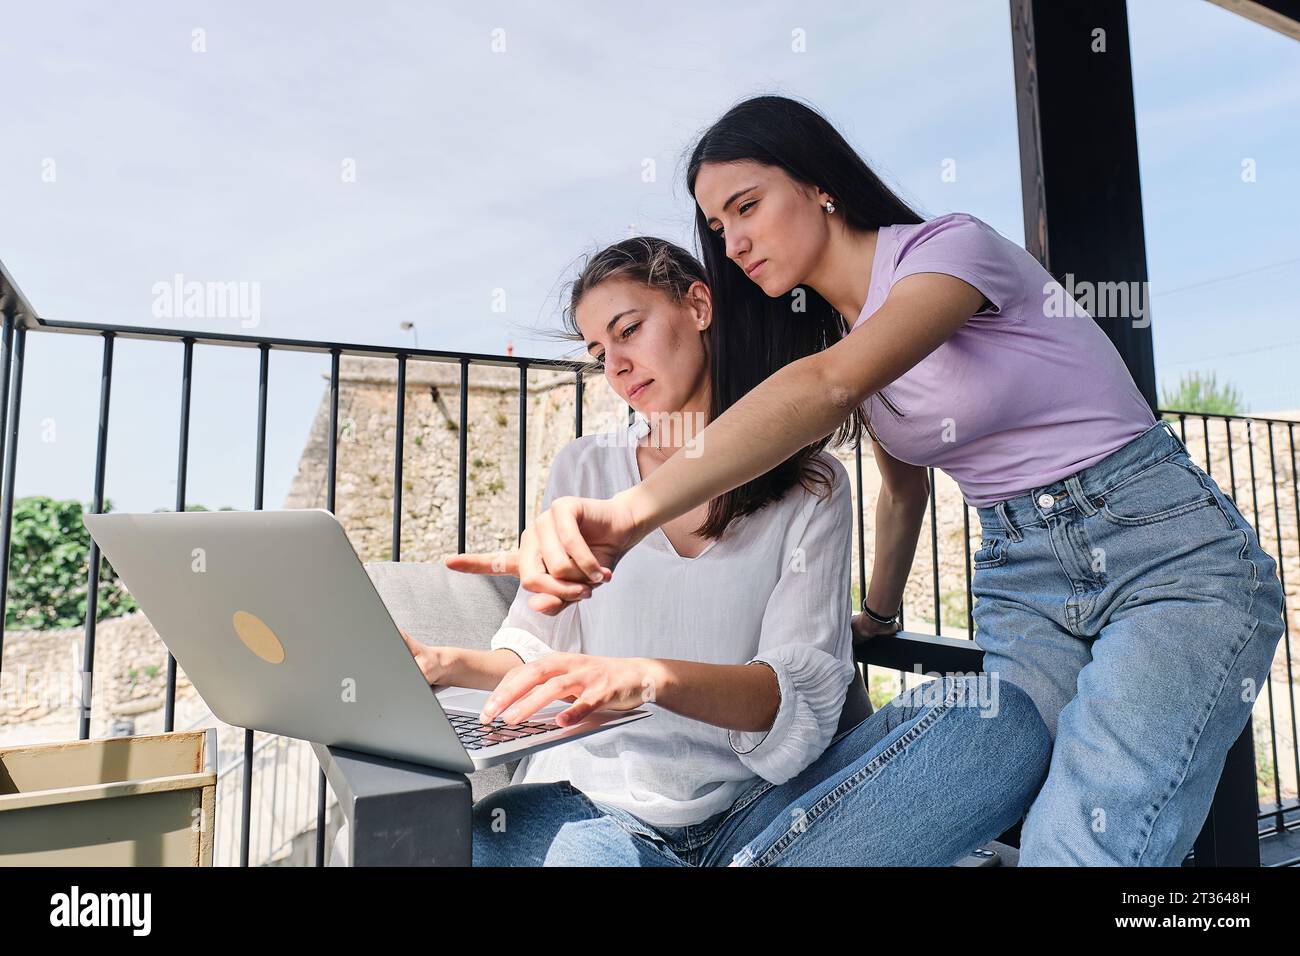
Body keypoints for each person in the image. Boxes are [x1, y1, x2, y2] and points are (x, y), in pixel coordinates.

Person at [451, 95, 1284, 866]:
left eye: (746, 205)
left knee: (1082, 839)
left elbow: (828, 390)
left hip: (1155, 545)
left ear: (819, 185)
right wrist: (877, 614)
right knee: (989, 739)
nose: (733, 241)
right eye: (716, 224)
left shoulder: (946, 252)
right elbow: (907, 487)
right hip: (1021, 578)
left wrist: (627, 516)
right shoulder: (846, 342)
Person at [420, 236, 1049, 866]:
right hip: (599, 814)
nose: (615, 365)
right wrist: (446, 663)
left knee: (996, 724)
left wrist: (648, 680)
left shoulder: (813, 486)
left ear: (698, 306)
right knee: (506, 834)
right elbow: (535, 654)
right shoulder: (584, 469)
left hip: (763, 816)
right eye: (598, 352)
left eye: (629, 329)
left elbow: (799, 698)